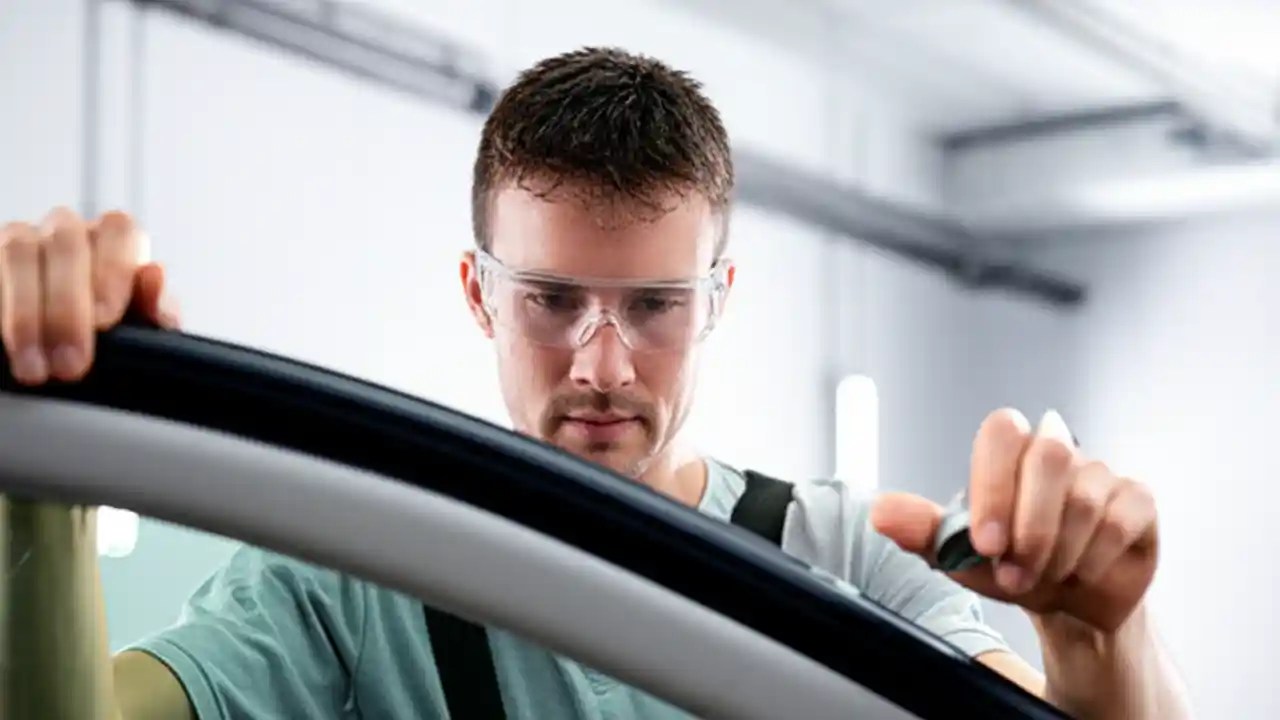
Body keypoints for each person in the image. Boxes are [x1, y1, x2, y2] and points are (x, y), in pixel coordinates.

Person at [0, 47, 1191, 720]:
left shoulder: (835, 552)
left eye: (655, 307)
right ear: (477, 292)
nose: (602, 363)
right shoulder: (349, 575)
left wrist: (1106, 642)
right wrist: (40, 459)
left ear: (717, 297)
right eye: (552, 300)